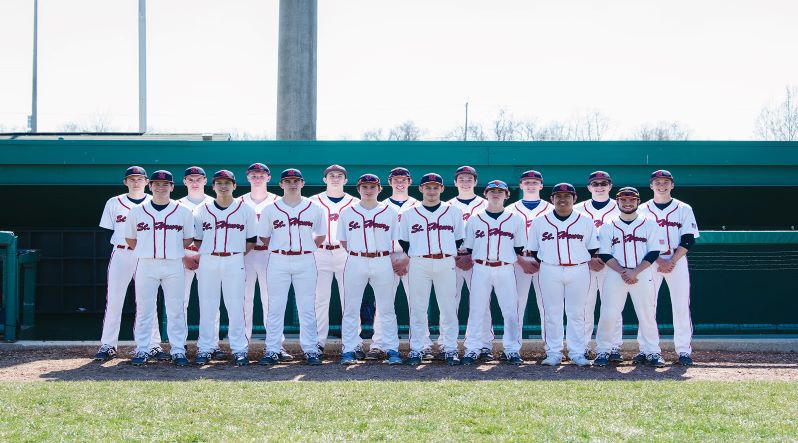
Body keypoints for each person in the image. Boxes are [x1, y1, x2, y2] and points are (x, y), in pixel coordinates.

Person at [258, 169, 328, 366]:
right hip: (278, 259)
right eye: (288, 181)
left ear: (302, 183)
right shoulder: (270, 209)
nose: (292, 184)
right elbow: (264, 236)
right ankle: (272, 349)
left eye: (296, 180)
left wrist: (305, 247)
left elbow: (321, 235)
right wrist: (281, 246)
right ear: (281, 184)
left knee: (307, 307)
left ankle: (311, 350)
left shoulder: (314, 208)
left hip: (305, 259)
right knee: (275, 307)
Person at [124, 170, 194, 366]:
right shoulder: (137, 211)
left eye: (165, 184)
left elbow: (188, 238)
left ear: (172, 187)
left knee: (176, 310)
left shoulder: (183, 211)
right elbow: (130, 238)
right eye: (157, 184)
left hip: (173, 264)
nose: (161, 187)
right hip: (146, 263)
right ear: (150, 186)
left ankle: (178, 350)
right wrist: (147, 250)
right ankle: (142, 349)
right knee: (145, 309)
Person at [94, 166, 163, 362]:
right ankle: (108, 344)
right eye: (131, 179)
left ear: (147, 182)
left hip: (146, 255)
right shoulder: (114, 202)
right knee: (114, 299)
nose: (135, 182)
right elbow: (108, 232)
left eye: (139, 179)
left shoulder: (154, 202)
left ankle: (153, 344)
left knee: (147, 301)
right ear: (125, 182)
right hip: (122, 252)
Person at [526, 183, 599, 367]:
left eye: (567, 196)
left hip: (579, 268)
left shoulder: (585, 221)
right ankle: (553, 353)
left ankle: (577, 352)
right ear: (552, 199)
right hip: (550, 269)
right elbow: (534, 250)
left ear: (574, 199)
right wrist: (550, 260)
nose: (562, 199)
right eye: (558, 196)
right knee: (552, 313)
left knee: (577, 313)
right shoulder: (540, 221)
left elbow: (593, 248)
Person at [594, 187, 667, 367]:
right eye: (624, 200)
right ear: (617, 202)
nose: (627, 203)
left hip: (642, 273)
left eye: (631, 200)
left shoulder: (650, 224)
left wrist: (634, 272)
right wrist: (623, 272)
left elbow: (653, 252)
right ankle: (603, 350)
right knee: (608, 314)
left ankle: (652, 352)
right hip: (615, 274)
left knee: (647, 314)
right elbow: (604, 254)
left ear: (638, 202)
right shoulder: (607, 225)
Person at [461, 180, 531, 365]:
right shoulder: (474, 219)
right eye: (492, 191)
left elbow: (519, 247)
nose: (496, 194)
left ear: (507, 195)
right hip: (480, 267)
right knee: (476, 310)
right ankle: (473, 349)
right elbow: (468, 248)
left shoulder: (516, 219)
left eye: (500, 191)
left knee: (510, 311)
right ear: (485, 194)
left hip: (506, 267)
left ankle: (512, 350)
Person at [398, 173, 464, 366]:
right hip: (419, 262)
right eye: (428, 187)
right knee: (418, 308)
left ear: (442, 189)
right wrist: (419, 253)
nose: (432, 190)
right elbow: (404, 241)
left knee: (449, 308)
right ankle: (417, 349)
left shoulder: (454, 212)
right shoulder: (410, 213)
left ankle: (450, 348)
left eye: (436, 187)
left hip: (445, 261)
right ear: (420, 189)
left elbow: (459, 238)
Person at [192, 170, 257, 366]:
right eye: (219, 182)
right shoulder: (202, 210)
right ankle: (205, 348)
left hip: (234, 259)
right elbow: (197, 240)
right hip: (208, 259)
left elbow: (251, 241)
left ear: (234, 186)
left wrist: (233, 254)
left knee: (236, 306)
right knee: (207, 306)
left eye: (227, 182)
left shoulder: (246, 210)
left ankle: (239, 350)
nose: (223, 186)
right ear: (213, 186)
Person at [337, 174, 403, 365]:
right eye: (364, 186)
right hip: (356, 259)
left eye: (372, 186)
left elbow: (396, 238)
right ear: (358, 189)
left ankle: (391, 349)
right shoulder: (347, 212)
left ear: (379, 189)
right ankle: (349, 349)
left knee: (387, 308)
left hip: (382, 259)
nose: (368, 190)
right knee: (350, 308)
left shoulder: (389, 211)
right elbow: (343, 240)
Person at [370, 167, 433, 360]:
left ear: (409, 182)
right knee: (382, 304)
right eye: (396, 180)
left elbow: (426, 235)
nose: (400, 183)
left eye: (403, 180)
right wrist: (389, 256)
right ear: (389, 183)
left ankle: (423, 344)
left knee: (418, 303)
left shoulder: (419, 205)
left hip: (414, 258)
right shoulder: (379, 206)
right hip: (386, 258)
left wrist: (407, 256)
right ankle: (378, 344)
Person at [640, 170, 700, 366]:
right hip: (650, 261)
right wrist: (659, 260)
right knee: (647, 306)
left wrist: (672, 260)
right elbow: (641, 241)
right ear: (651, 185)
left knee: (681, 306)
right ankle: (646, 349)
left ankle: (683, 351)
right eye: (657, 182)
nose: (661, 185)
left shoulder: (683, 208)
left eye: (666, 182)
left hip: (677, 258)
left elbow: (689, 239)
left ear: (672, 185)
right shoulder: (642, 209)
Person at [238, 163, 293, 362]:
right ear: (248, 178)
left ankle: (275, 347)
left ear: (269, 178)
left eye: (261, 174)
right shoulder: (239, 202)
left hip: (271, 255)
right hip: (246, 254)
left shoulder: (279, 201)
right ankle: (241, 347)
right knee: (244, 301)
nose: (258, 178)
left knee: (272, 302)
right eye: (254, 175)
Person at [176, 166, 224, 360]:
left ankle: (212, 344)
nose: (195, 182)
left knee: (211, 302)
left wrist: (205, 256)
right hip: (182, 256)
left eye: (198, 179)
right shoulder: (176, 204)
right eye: (190, 179)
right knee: (179, 303)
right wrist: (183, 256)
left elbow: (221, 235)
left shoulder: (216, 203)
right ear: (185, 182)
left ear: (205, 181)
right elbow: (170, 235)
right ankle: (179, 345)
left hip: (208, 257)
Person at [310, 164, 359, 357]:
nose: (336, 178)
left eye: (340, 175)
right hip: (319, 252)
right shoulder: (313, 201)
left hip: (345, 253)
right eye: (331, 175)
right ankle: (317, 343)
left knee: (350, 300)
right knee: (320, 300)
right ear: (324, 179)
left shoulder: (355, 202)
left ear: (346, 180)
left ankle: (352, 344)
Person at [574, 171, 621, 359]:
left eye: (604, 183)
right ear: (589, 187)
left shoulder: (622, 207)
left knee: (613, 306)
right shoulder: (577, 209)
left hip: (612, 264)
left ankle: (613, 347)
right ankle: (582, 346)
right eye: (595, 184)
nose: (599, 187)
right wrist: (589, 258)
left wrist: (605, 259)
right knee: (584, 307)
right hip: (585, 264)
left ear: (610, 186)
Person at [446, 165, 492, 361]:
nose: (465, 182)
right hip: (451, 259)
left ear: (475, 181)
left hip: (478, 260)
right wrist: (457, 255)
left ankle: (484, 345)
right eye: (461, 178)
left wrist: (473, 256)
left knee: (482, 304)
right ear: (455, 182)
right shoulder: (446, 205)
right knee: (449, 304)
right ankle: (448, 345)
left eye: (469, 178)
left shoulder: (486, 204)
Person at [506, 170, 551, 347]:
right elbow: (505, 240)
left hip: (545, 263)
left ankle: (551, 348)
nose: (531, 185)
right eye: (527, 182)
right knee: (515, 307)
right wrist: (520, 261)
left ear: (541, 185)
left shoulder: (551, 208)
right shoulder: (510, 210)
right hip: (518, 261)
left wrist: (541, 261)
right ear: (521, 185)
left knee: (547, 307)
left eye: (534, 182)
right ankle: (512, 348)